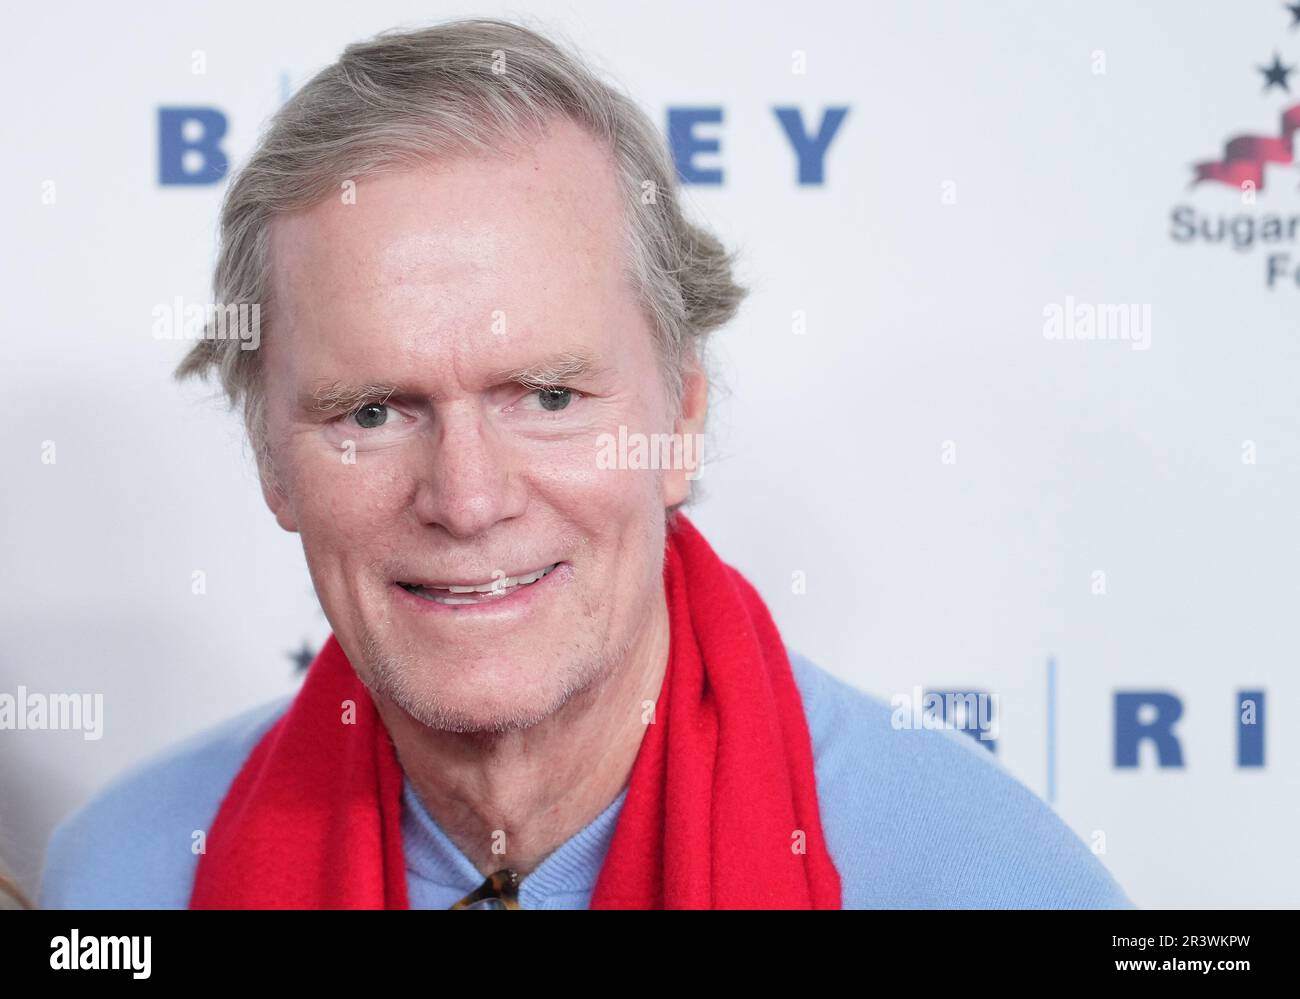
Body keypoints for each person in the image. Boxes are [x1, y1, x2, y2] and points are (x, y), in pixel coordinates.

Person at [38, 17, 1131, 910]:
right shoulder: (123, 881)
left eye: (549, 397)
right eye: (371, 411)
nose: (467, 500)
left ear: (683, 417)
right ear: (270, 463)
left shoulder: (982, 882)